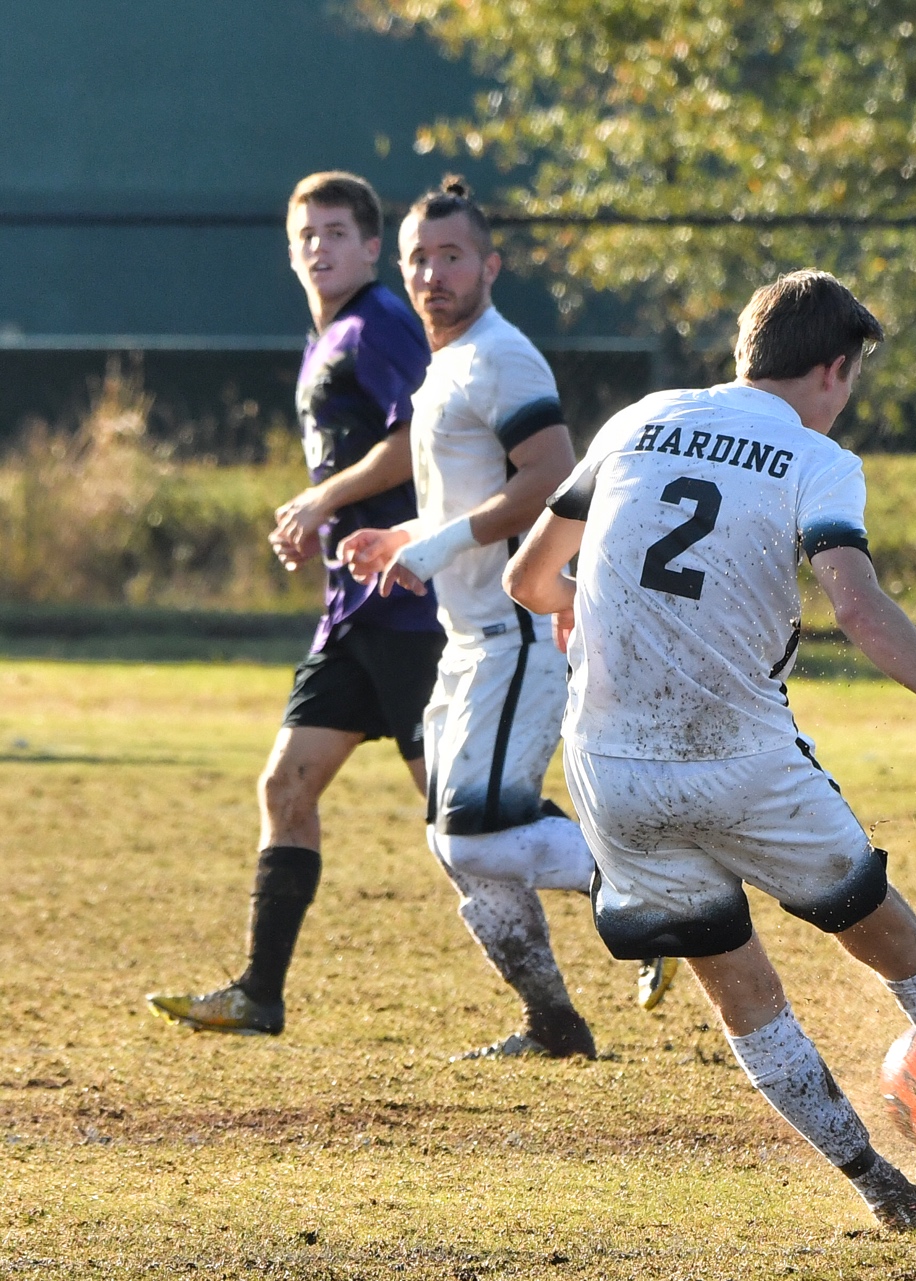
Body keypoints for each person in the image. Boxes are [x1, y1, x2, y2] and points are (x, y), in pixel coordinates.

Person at [503, 271, 916, 1231]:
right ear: (835, 368)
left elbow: (528, 577)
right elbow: (858, 609)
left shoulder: (635, 420)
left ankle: (885, 1193)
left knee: (746, 998)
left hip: (612, 772)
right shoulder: (815, 456)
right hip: (744, 763)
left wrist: (584, 601)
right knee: (892, 940)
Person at [335, 177, 676, 1060]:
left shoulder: (502, 356)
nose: (431, 272)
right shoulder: (445, 363)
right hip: (466, 635)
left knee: (475, 834)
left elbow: (552, 477)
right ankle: (553, 1024)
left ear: (490, 264)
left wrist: (438, 545)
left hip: (515, 634)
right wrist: (403, 538)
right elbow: (479, 500)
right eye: (418, 257)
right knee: (459, 847)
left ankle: (650, 885)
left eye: (451, 255)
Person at [148, 172, 441, 1035]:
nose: (318, 247)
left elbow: (418, 437)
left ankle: (636, 906)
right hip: (353, 612)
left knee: (465, 817)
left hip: (408, 602)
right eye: (304, 234)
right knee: (286, 783)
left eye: (335, 232)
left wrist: (322, 502)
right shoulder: (329, 335)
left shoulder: (379, 322)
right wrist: (319, 516)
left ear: (369, 246)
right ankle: (258, 993)